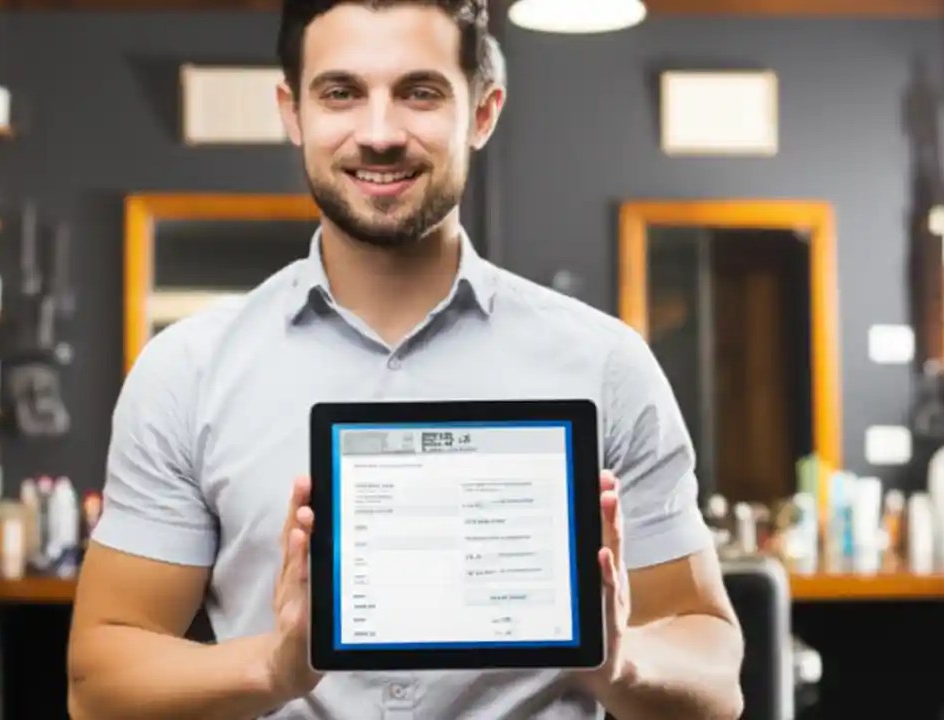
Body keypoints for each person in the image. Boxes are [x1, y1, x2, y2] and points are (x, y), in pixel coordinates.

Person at [65, 1, 745, 718]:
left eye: (420, 92)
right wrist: (270, 666)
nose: (380, 133)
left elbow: (714, 683)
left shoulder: (607, 365)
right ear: (291, 111)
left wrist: (621, 660)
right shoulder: (187, 373)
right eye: (341, 93)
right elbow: (99, 684)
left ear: (482, 113)